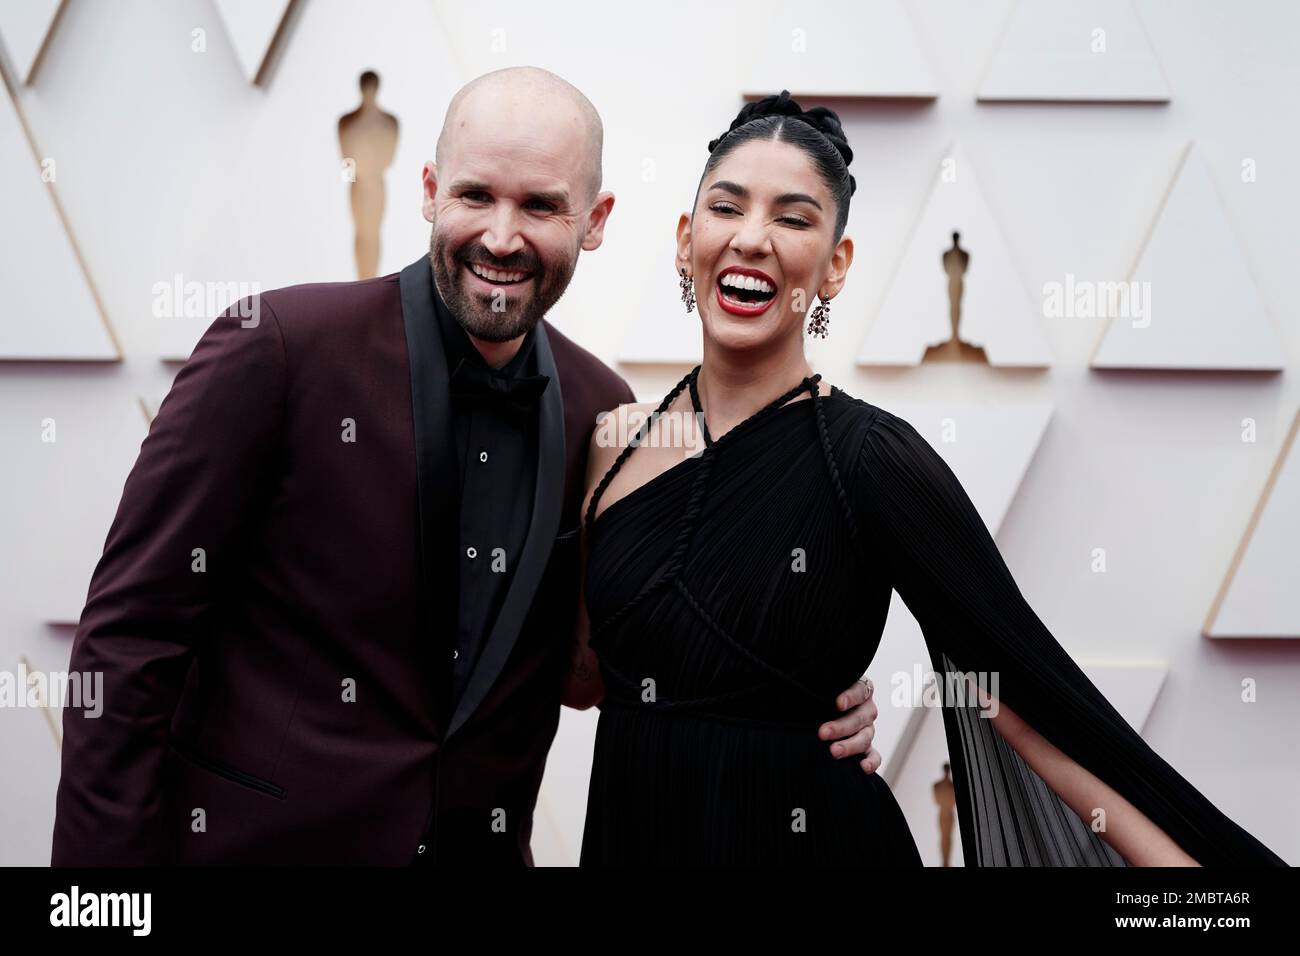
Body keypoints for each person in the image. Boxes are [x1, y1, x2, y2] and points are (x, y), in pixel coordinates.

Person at [50, 68, 881, 867]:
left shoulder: (607, 411)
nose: (501, 235)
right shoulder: (275, 347)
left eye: (542, 206)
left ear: (595, 220)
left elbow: (601, 666)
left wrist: (795, 700)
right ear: (426, 190)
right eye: (476, 194)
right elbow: (130, 639)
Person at [570, 90, 1288, 867]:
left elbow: (1020, 697)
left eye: (794, 218)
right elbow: (583, 675)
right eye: (727, 208)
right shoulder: (613, 442)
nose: (752, 239)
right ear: (686, 240)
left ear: (836, 267)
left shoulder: (874, 458)